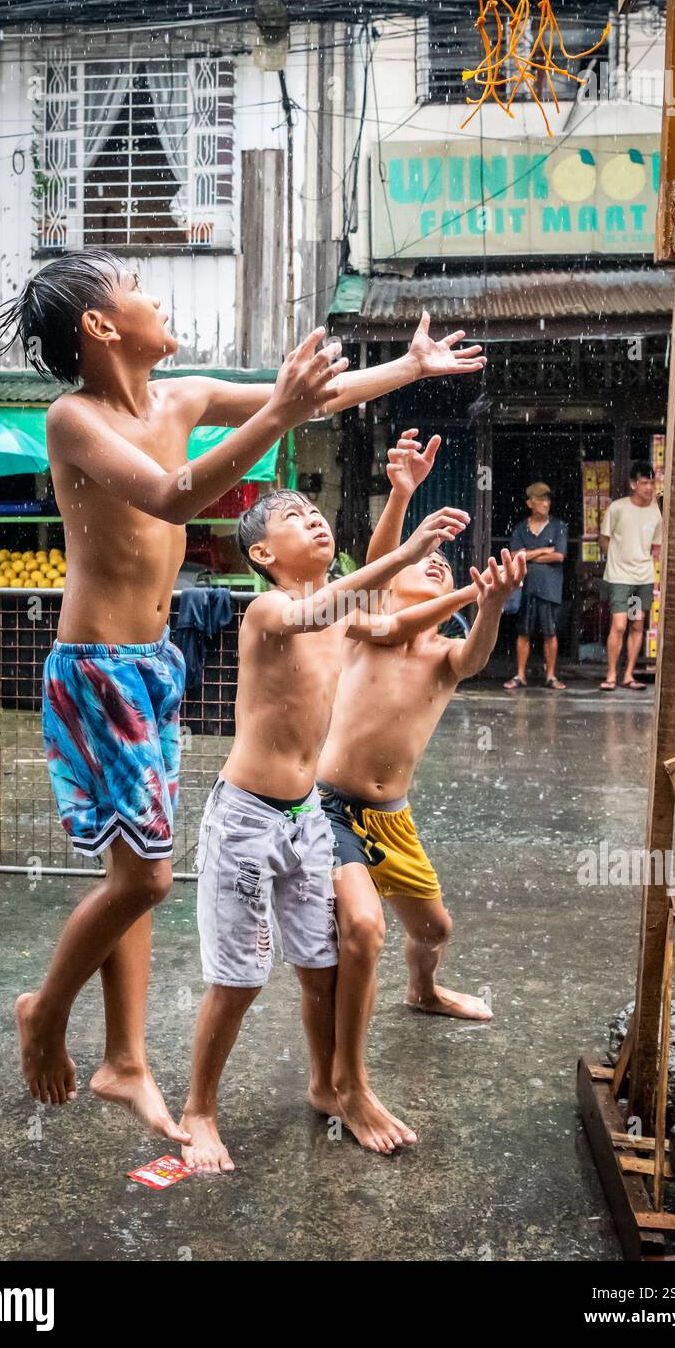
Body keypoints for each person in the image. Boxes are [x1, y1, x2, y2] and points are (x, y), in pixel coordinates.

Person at [0, 249, 485, 1141]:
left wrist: (407, 368)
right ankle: (46, 1011)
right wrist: (279, 413)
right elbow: (177, 497)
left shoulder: (180, 399)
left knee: (132, 873)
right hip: (98, 671)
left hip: (150, 663)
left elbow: (313, 398)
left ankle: (125, 1059)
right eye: (135, 289)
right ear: (101, 327)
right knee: (143, 881)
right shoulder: (74, 419)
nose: (154, 296)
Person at [179, 487, 473, 1172]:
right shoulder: (272, 609)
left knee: (321, 967)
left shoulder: (344, 611)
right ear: (261, 553)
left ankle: (327, 1085)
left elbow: (395, 627)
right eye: (293, 519)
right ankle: (198, 1110)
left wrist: (473, 596)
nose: (313, 521)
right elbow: (325, 608)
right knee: (241, 980)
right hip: (248, 820)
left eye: (317, 514)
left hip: (306, 816)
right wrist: (405, 551)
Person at [315, 432, 525, 1152]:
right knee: (363, 931)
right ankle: (350, 1083)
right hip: (328, 808)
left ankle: (424, 990)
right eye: (424, 561)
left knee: (433, 932)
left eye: (445, 568)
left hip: (392, 820)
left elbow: (475, 651)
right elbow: (376, 571)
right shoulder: (364, 628)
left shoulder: (442, 654)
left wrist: (491, 603)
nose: (434, 564)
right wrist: (401, 493)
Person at [599, 462, 662, 692]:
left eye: (652, 482)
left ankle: (628, 674)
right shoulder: (618, 508)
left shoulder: (657, 511)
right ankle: (611, 674)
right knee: (619, 624)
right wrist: (615, 560)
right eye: (644, 482)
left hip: (642, 578)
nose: (649, 487)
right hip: (619, 577)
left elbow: (656, 545)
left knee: (636, 624)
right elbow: (604, 539)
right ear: (633, 484)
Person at [504, 480, 567, 691]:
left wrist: (528, 556)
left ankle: (551, 676)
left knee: (550, 632)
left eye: (547, 499)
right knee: (523, 632)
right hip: (526, 588)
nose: (545, 503)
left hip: (549, 589)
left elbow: (558, 556)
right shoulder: (522, 528)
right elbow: (514, 556)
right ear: (530, 503)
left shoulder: (558, 526)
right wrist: (543, 551)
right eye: (540, 499)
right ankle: (520, 675)